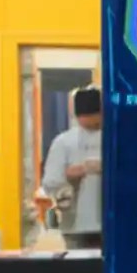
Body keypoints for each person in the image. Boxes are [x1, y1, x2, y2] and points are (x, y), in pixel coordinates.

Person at [42, 86, 104, 249]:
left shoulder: (116, 140)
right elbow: (50, 182)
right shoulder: (63, 142)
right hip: (76, 226)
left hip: (111, 224)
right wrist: (69, 176)